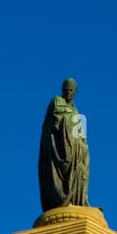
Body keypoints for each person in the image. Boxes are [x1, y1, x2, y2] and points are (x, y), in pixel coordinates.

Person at [38, 79, 90, 211]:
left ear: (75, 92)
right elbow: (56, 119)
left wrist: (83, 146)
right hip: (59, 145)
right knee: (63, 167)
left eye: (71, 90)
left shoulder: (77, 111)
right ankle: (62, 198)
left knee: (82, 165)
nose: (68, 92)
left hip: (75, 146)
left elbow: (81, 132)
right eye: (66, 89)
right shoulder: (56, 101)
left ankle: (77, 199)